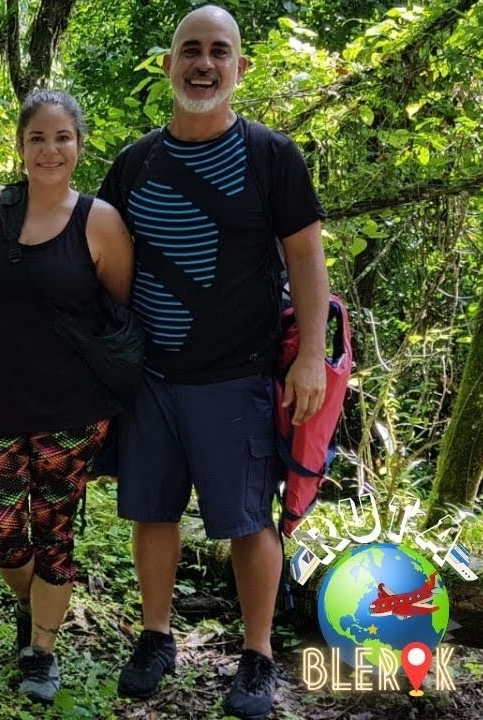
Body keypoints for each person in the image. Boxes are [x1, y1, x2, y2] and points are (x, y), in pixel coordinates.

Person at [96, 6, 330, 719]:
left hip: (237, 377)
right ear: (168, 66)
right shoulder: (134, 163)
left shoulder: (271, 157)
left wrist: (312, 358)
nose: (203, 63)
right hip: (151, 380)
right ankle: (155, 637)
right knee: (151, 512)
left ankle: (257, 657)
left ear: (239, 69)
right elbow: (95, 254)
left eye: (218, 52)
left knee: (247, 523)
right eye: (190, 51)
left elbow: (306, 259)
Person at [0, 88, 133, 703]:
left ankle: (42, 651)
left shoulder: (101, 222)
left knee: (53, 531)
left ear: (79, 147)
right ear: (19, 147)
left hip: (72, 409)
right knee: (3, 536)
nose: (49, 149)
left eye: (62, 137)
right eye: (37, 137)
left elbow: (119, 310)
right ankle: (35, 604)